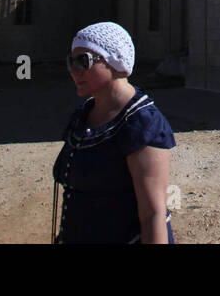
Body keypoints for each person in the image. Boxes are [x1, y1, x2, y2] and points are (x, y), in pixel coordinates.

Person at [52, 21, 176, 244]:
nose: (74, 71)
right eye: (71, 62)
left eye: (84, 61)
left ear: (115, 60)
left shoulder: (141, 123)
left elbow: (153, 214)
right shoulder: (83, 114)